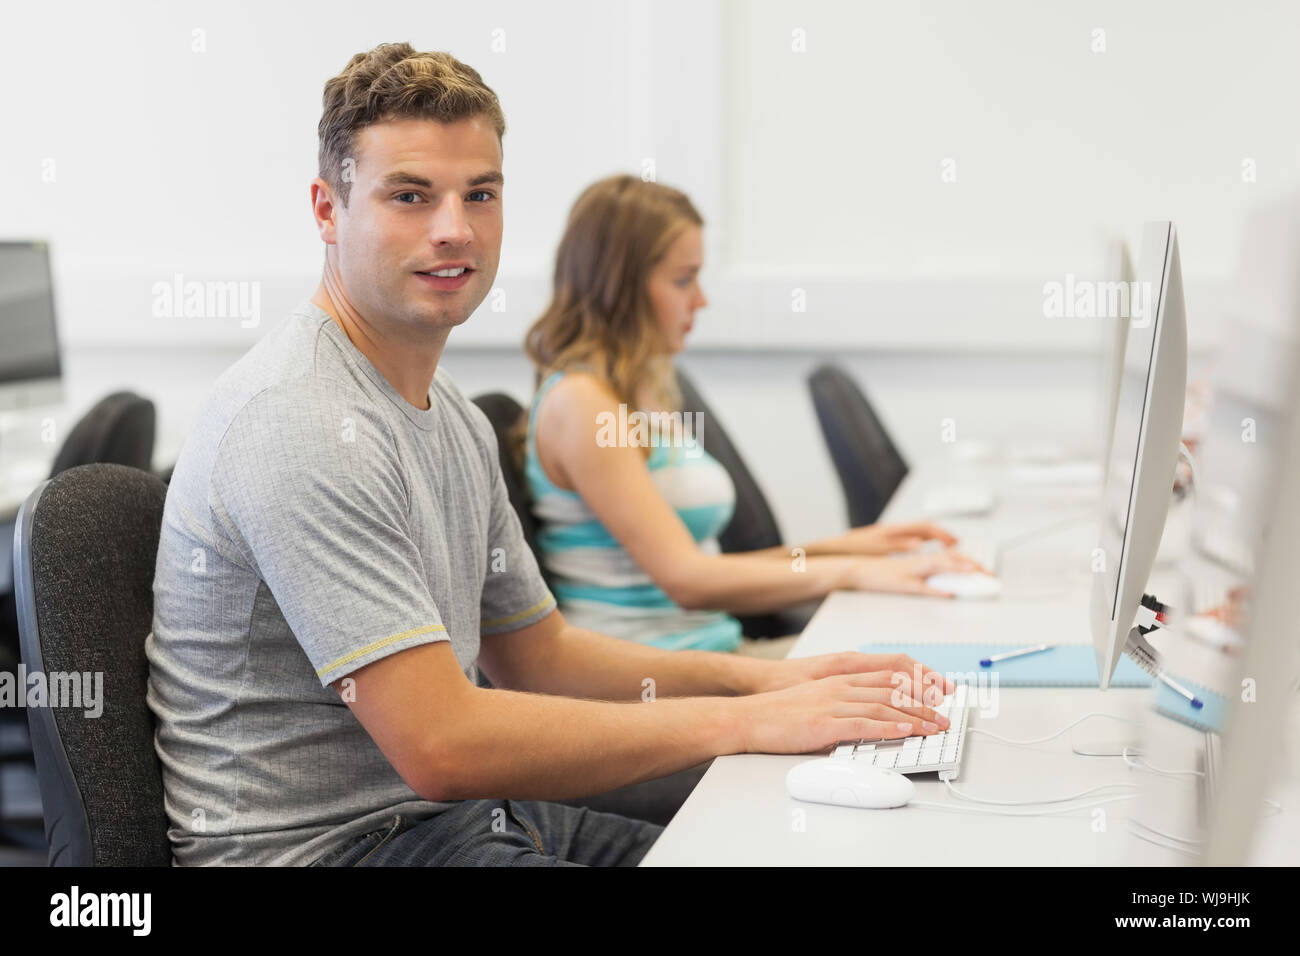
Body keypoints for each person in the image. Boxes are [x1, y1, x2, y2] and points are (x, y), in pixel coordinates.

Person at [146, 42, 956, 868]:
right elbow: (442, 745)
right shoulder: (300, 421)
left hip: (461, 822)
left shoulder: (451, 412)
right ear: (327, 209)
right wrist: (743, 719)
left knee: (783, 845)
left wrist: (771, 682)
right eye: (410, 196)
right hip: (338, 852)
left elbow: (542, 657)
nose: (454, 228)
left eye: (481, 194)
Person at [522, 175, 987, 657]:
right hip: (657, 681)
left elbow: (703, 565)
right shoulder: (582, 403)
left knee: (935, 657)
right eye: (683, 279)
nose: (699, 300)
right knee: (927, 667)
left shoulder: (640, 392)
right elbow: (688, 581)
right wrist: (852, 570)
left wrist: (852, 546)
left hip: (713, 654)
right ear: (618, 287)